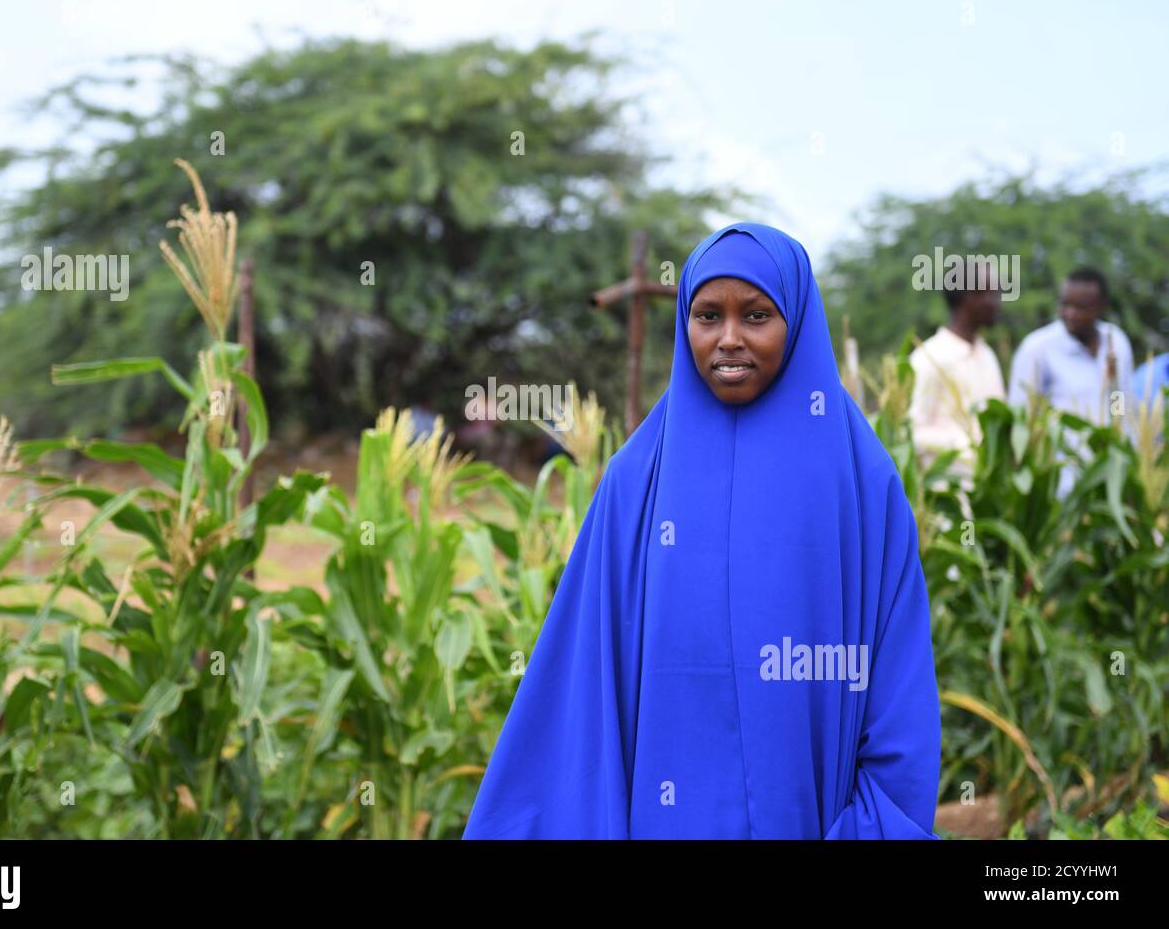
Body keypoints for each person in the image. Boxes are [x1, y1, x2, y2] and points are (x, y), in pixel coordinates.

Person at [462, 223, 941, 839]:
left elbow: (897, 685)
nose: (729, 340)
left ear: (797, 319)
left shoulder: (860, 481)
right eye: (707, 315)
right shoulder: (637, 481)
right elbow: (582, 681)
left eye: (757, 315)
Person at [907, 262, 1006, 475]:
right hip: (948, 494)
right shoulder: (929, 358)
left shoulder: (987, 355)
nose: (999, 304)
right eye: (993, 295)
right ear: (970, 298)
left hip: (989, 492)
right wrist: (965, 444)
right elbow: (910, 432)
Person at [1007, 267, 1135, 427]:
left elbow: (1120, 398)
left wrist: (1121, 432)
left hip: (1113, 450)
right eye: (1065, 304)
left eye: (1080, 307)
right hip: (1065, 452)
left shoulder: (1116, 341)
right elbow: (1021, 416)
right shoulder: (1037, 348)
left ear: (1102, 306)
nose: (1070, 314)